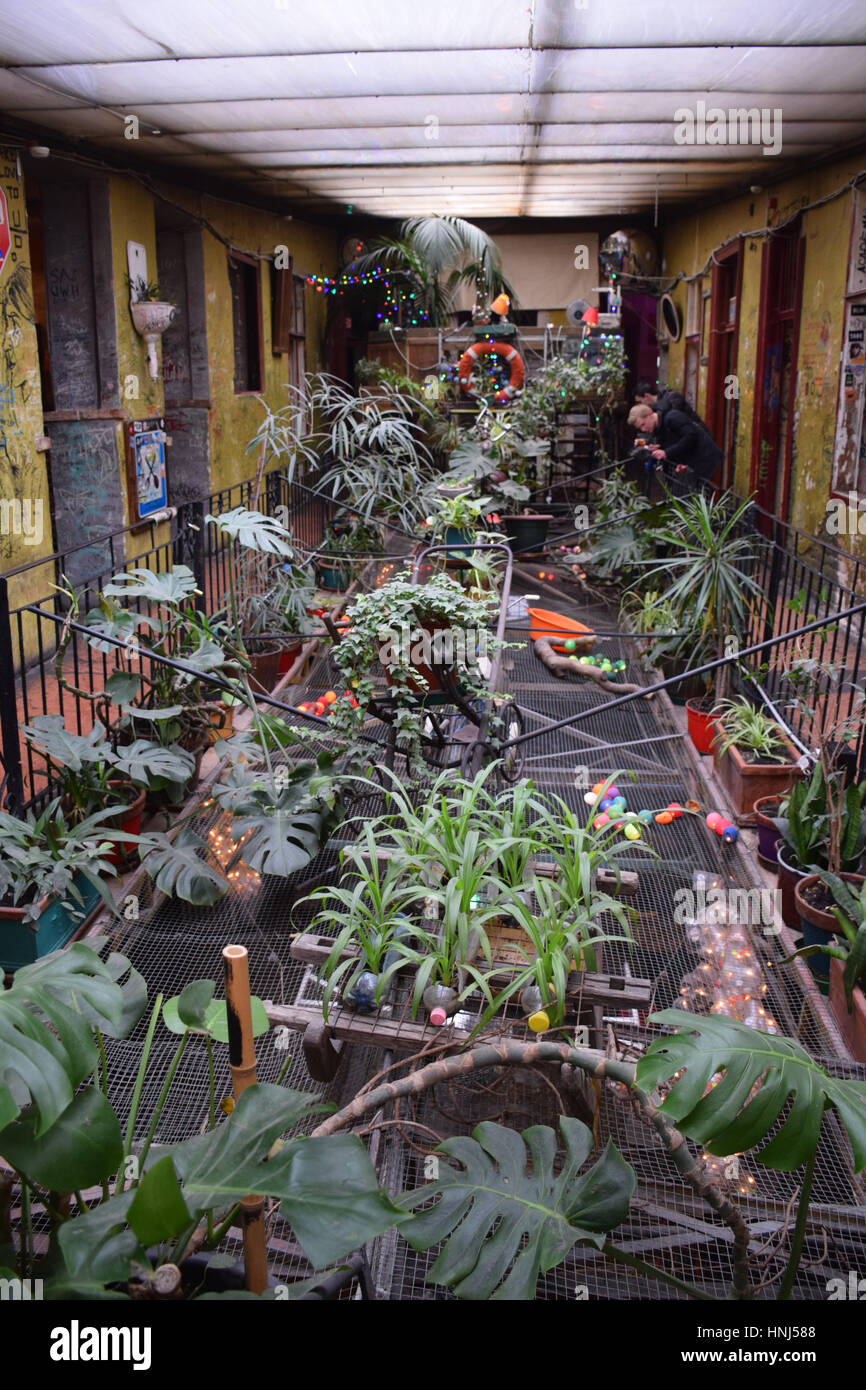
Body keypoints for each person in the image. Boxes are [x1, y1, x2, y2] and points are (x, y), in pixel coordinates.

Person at [627, 402, 722, 485]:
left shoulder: (672, 417)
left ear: (650, 414)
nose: (643, 429)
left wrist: (666, 452)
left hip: (709, 461)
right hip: (696, 465)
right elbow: (676, 442)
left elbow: (691, 437)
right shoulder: (659, 427)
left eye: (643, 424)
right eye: (640, 428)